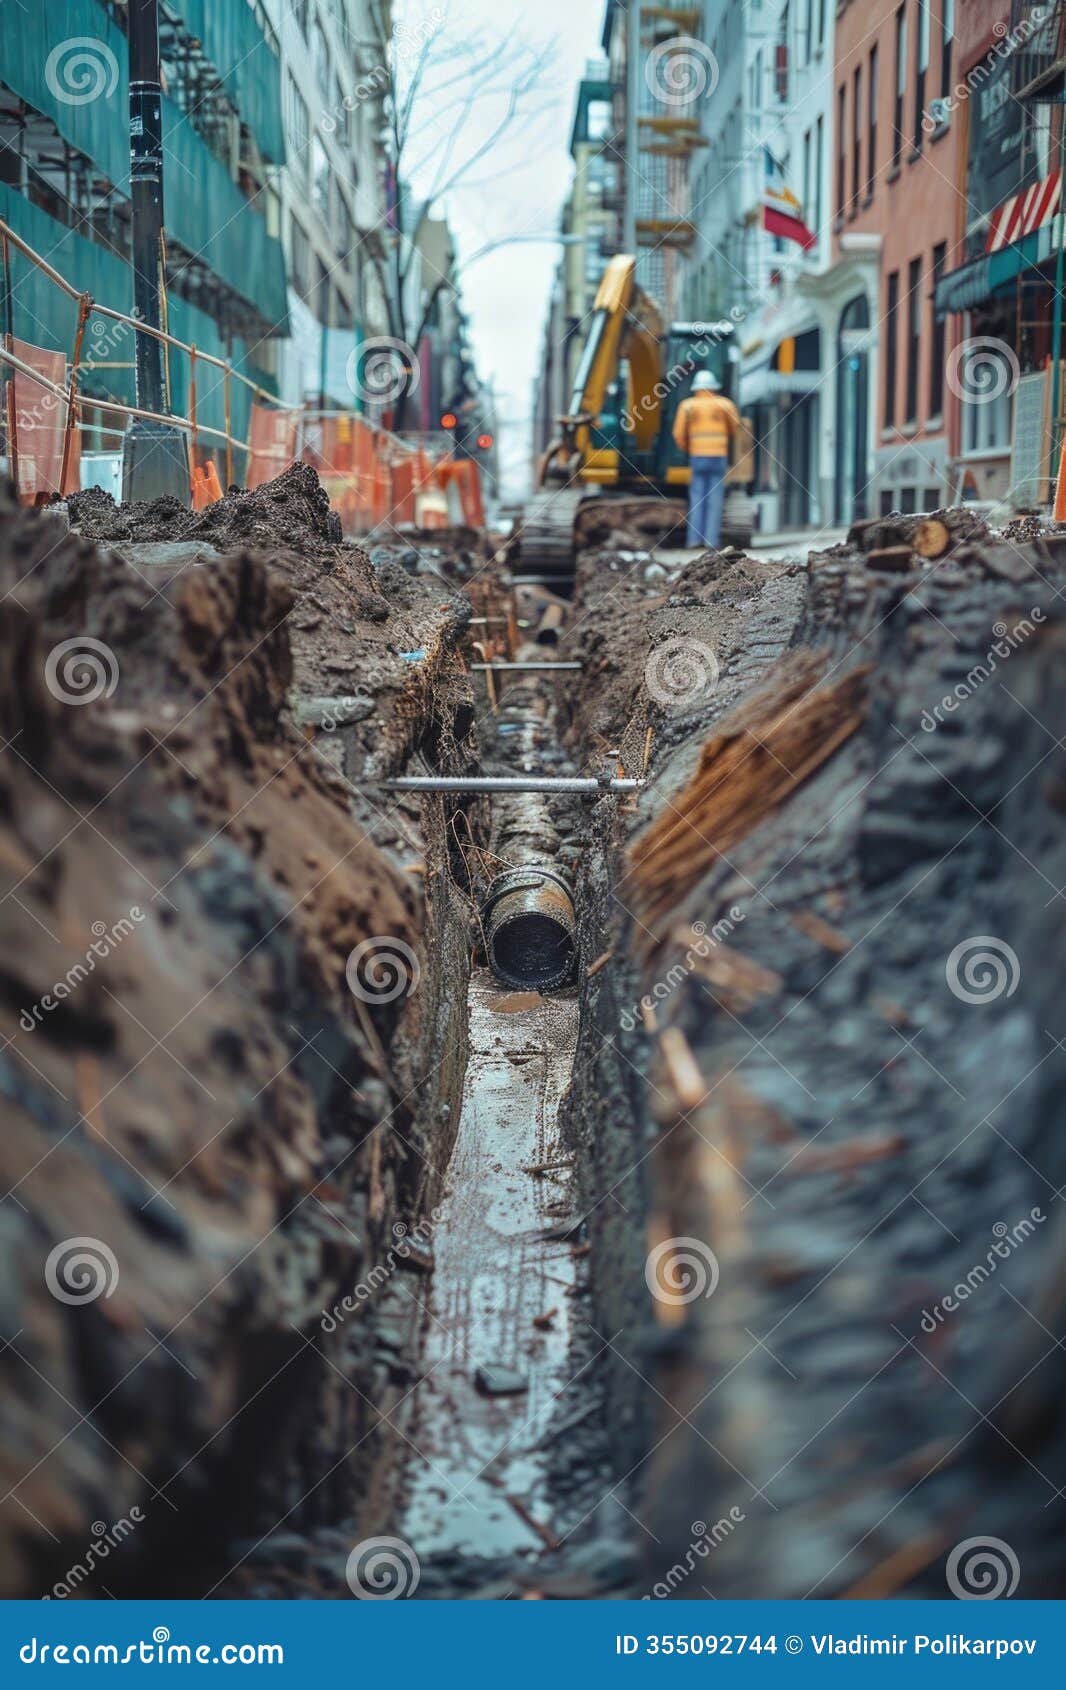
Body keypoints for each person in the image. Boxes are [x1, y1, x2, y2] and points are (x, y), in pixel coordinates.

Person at [672, 371, 740, 550]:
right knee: (715, 499)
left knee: (697, 498)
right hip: (718, 456)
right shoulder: (725, 405)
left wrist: (688, 449)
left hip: (697, 456)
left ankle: (694, 541)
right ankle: (711, 541)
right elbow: (734, 429)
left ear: (696, 387)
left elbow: (678, 434)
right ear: (713, 387)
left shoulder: (687, 406)